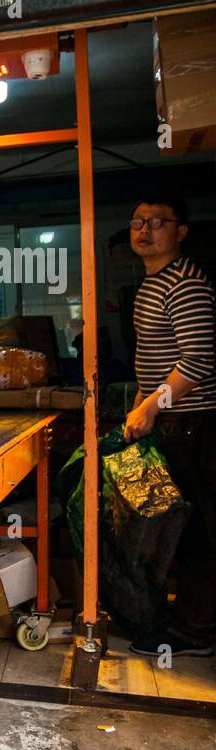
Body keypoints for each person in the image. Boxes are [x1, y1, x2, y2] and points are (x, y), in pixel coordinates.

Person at [123, 193, 216, 658]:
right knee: (179, 528)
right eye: (139, 221)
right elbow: (159, 358)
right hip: (174, 419)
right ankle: (188, 618)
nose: (145, 230)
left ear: (180, 232)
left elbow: (197, 360)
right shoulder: (152, 284)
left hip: (197, 424)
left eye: (158, 222)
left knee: (198, 530)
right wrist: (143, 400)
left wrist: (152, 407)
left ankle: (197, 632)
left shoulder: (186, 284)